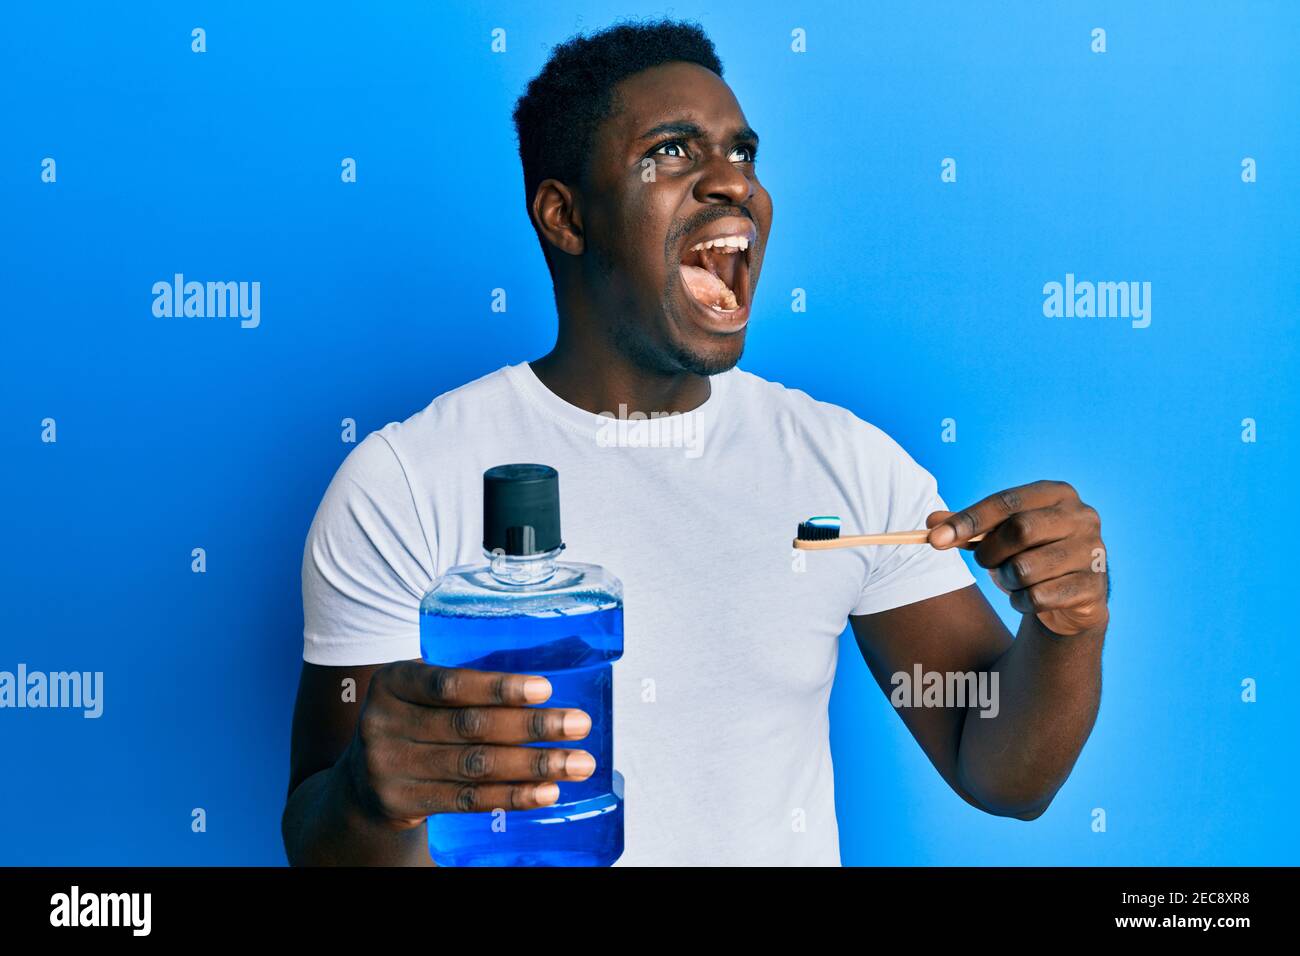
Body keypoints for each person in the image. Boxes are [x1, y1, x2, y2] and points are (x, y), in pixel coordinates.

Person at [281, 20, 1109, 866]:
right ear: (566, 216)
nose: (733, 183)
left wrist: (1067, 623)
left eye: (743, 154)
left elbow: (1001, 772)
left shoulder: (846, 464)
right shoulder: (402, 482)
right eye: (673, 151)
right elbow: (319, 847)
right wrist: (366, 795)